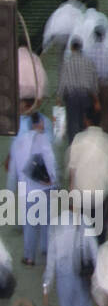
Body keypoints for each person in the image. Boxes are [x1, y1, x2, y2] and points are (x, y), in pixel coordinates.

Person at [42, 199, 95, 306]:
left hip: (63, 277)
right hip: (81, 275)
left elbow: (51, 257)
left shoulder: (55, 224)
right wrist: (99, 278)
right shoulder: (85, 222)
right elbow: (94, 251)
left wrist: (46, 285)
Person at [10, 113, 58, 265]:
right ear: (39, 124)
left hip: (27, 189)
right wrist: (54, 181)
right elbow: (50, 161)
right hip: (45, 189)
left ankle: (29, 257)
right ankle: (45, 249)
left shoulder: (18, 142)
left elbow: (14, 169)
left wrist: (12, 188)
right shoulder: (43, 139)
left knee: (29, 223)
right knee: (46, 221)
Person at [67, 107, 108, 243]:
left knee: (82, 229)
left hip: (82, 192)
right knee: (98, 230)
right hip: (100, 193)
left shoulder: (78, 139)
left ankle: (84, 258)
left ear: (86, 121)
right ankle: (97, 258)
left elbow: (72, 170)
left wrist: (71, 194)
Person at [57, 38, 100, 146]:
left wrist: (59, 98)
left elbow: (62, 82)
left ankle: (73, 149)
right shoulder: (88, 62)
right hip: (86, 97)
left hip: (71, 98)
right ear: (81, 48)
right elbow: (93, 83)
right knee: (84, 123)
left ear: (71, 48)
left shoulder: (66, 63)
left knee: (72, 125)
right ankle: (84, 147)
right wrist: (96, 100)